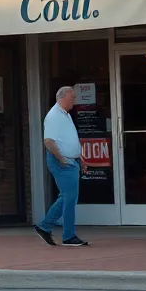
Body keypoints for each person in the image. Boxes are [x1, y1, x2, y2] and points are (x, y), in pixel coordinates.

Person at [35, 86, 90, 247]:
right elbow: (48, 141)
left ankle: (45, 226)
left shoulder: (65, 115)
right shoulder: (53, 116)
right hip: (61, 161)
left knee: (66, 197)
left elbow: (68, 140)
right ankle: (68, 235)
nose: (75, 100)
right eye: (72, 96)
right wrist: (61, 158)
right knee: (70, 198)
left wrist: (80, 158)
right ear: (62, 97)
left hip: (70, 160)